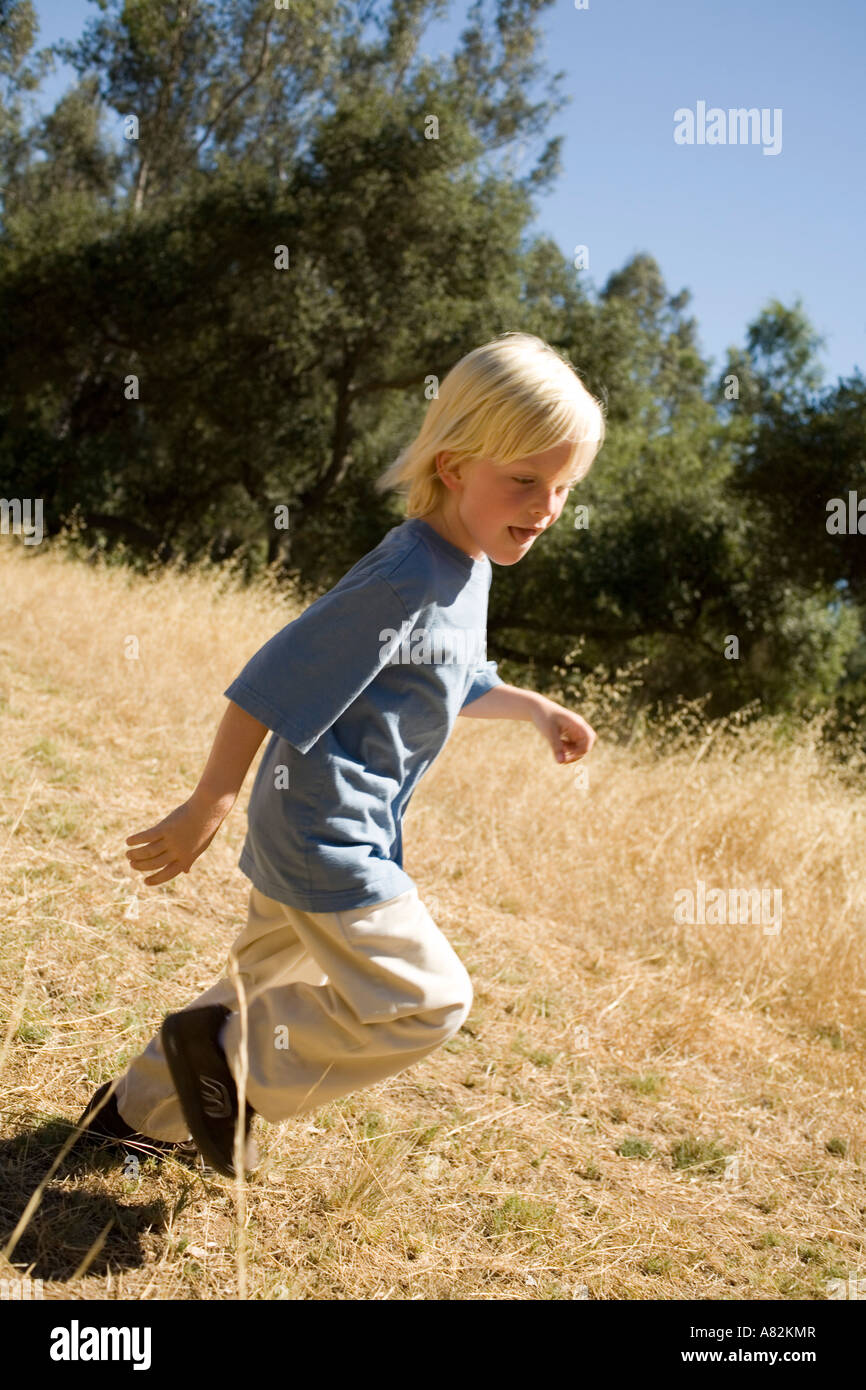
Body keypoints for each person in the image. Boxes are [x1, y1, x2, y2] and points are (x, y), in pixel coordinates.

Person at [76, 331, 605, 1177]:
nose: (545, 505)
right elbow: (271, 678)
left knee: (247, 992)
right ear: (454, 463)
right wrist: (210, 798)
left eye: (562, 486)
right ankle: (235, 1073)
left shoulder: (468, 569)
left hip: (332, 824)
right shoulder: (405, 575)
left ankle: (126, 1117)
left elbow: (455, 678)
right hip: (329, 832)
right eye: (525, 480)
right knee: (427, 1001)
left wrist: (534, 709)